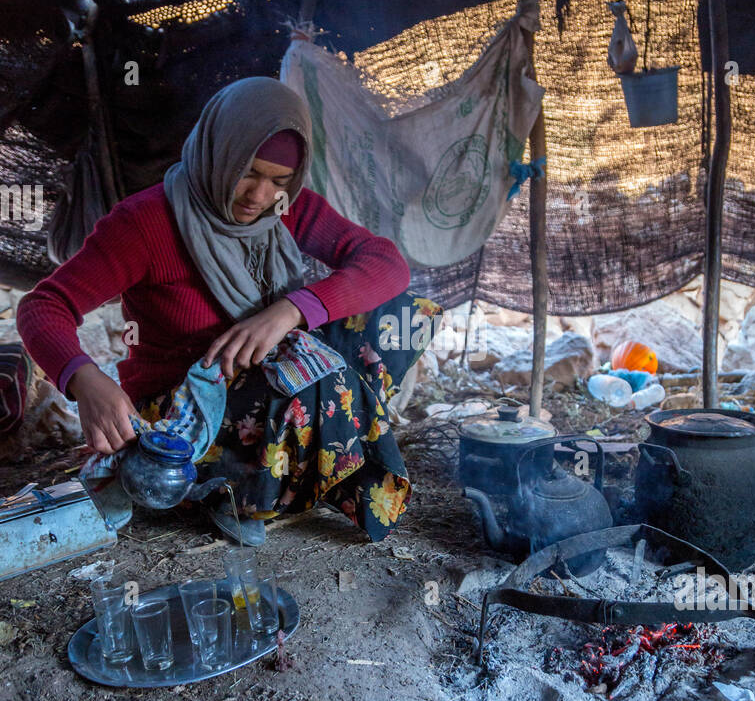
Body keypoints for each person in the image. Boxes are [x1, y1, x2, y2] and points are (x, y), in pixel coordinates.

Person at [18, 76, 440, 544]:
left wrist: (292, 309)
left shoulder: (285, 208)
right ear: (218, 152)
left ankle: (307, 450)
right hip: (188, 401)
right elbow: (44, 306)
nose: (259, 195)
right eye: (247, 172)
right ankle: (232, 492)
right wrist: (84, 378)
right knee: (318, 378)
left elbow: (385, 263)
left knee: (403, 317)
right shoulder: (144, 225)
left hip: (272, 370)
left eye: (279, 181)